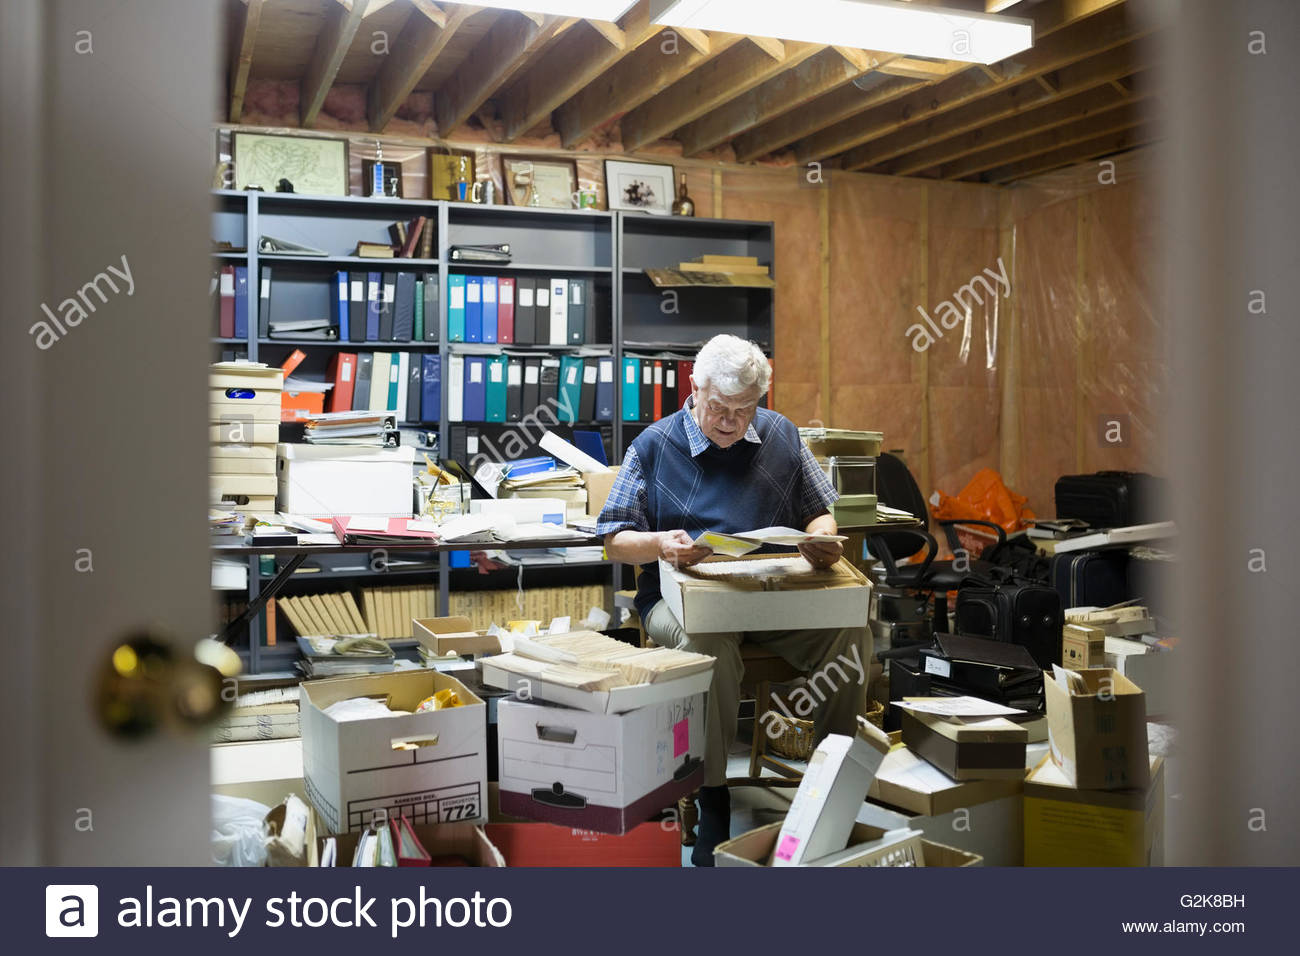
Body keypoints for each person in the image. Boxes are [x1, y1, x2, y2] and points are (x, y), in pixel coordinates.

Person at [596, 334, 871, 866]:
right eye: (718, 408)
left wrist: (821, 538)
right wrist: (659, 544)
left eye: (744, 411)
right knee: (709, 643)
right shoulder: (653, 445)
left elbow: (821, 510)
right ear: (694, 389)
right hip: (678, 600)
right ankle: (713, 792)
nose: (730, 422)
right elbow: (613, 539)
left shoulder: (781, 435)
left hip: (769, 594)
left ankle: (829, 782)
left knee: (850, 635)